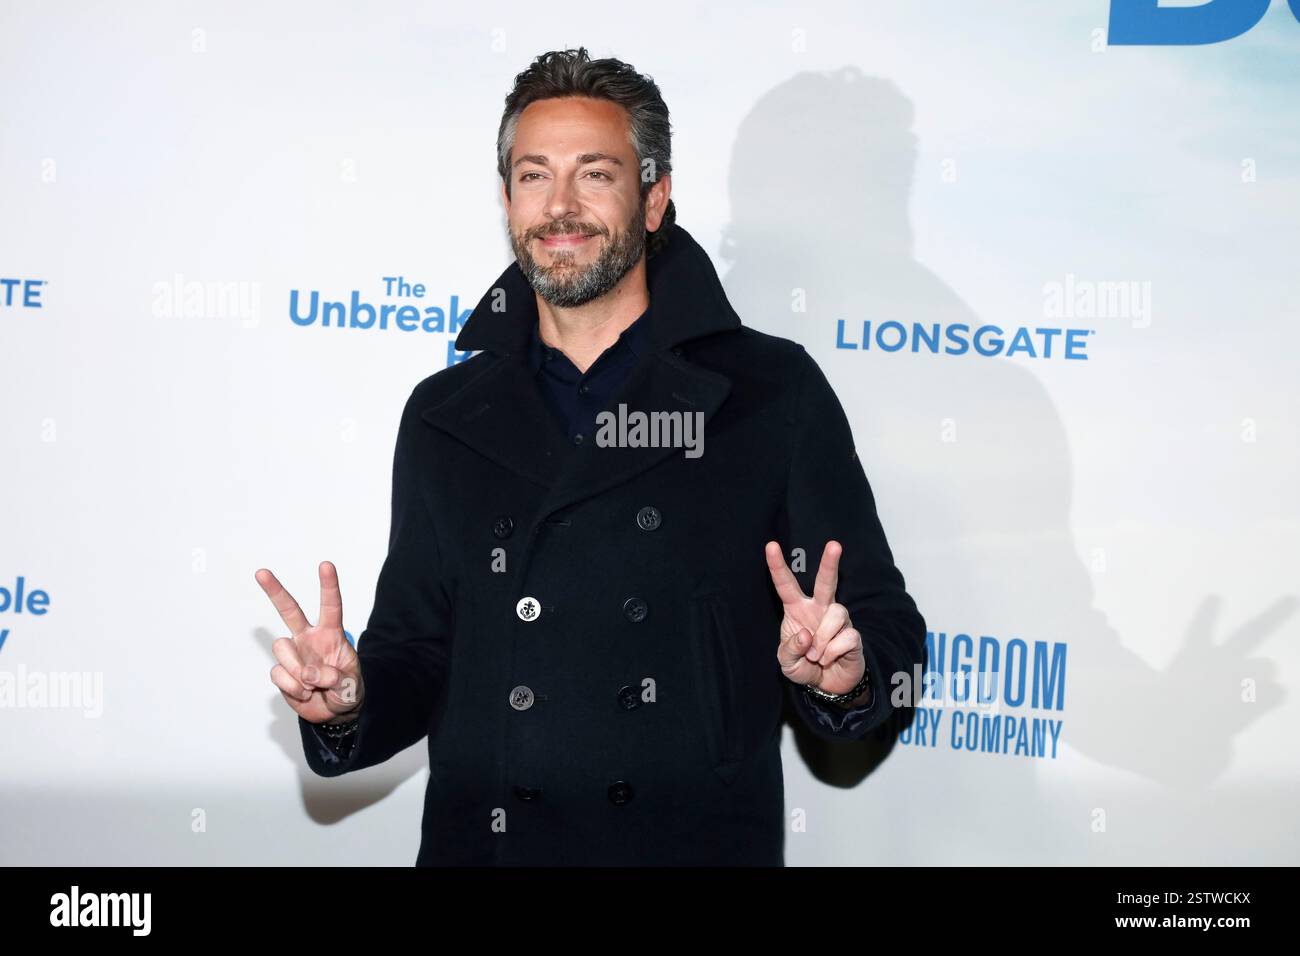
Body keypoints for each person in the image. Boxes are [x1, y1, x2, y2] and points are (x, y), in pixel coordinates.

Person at [256, 47, 925, 866]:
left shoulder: (768, 393)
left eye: (596, 173)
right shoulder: (444, 414)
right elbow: (418, 650)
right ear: (507, 199)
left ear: (654, 199)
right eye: (534, 175)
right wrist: (350, 702)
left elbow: (886, 629)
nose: (560, 207)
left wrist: (841, 678)